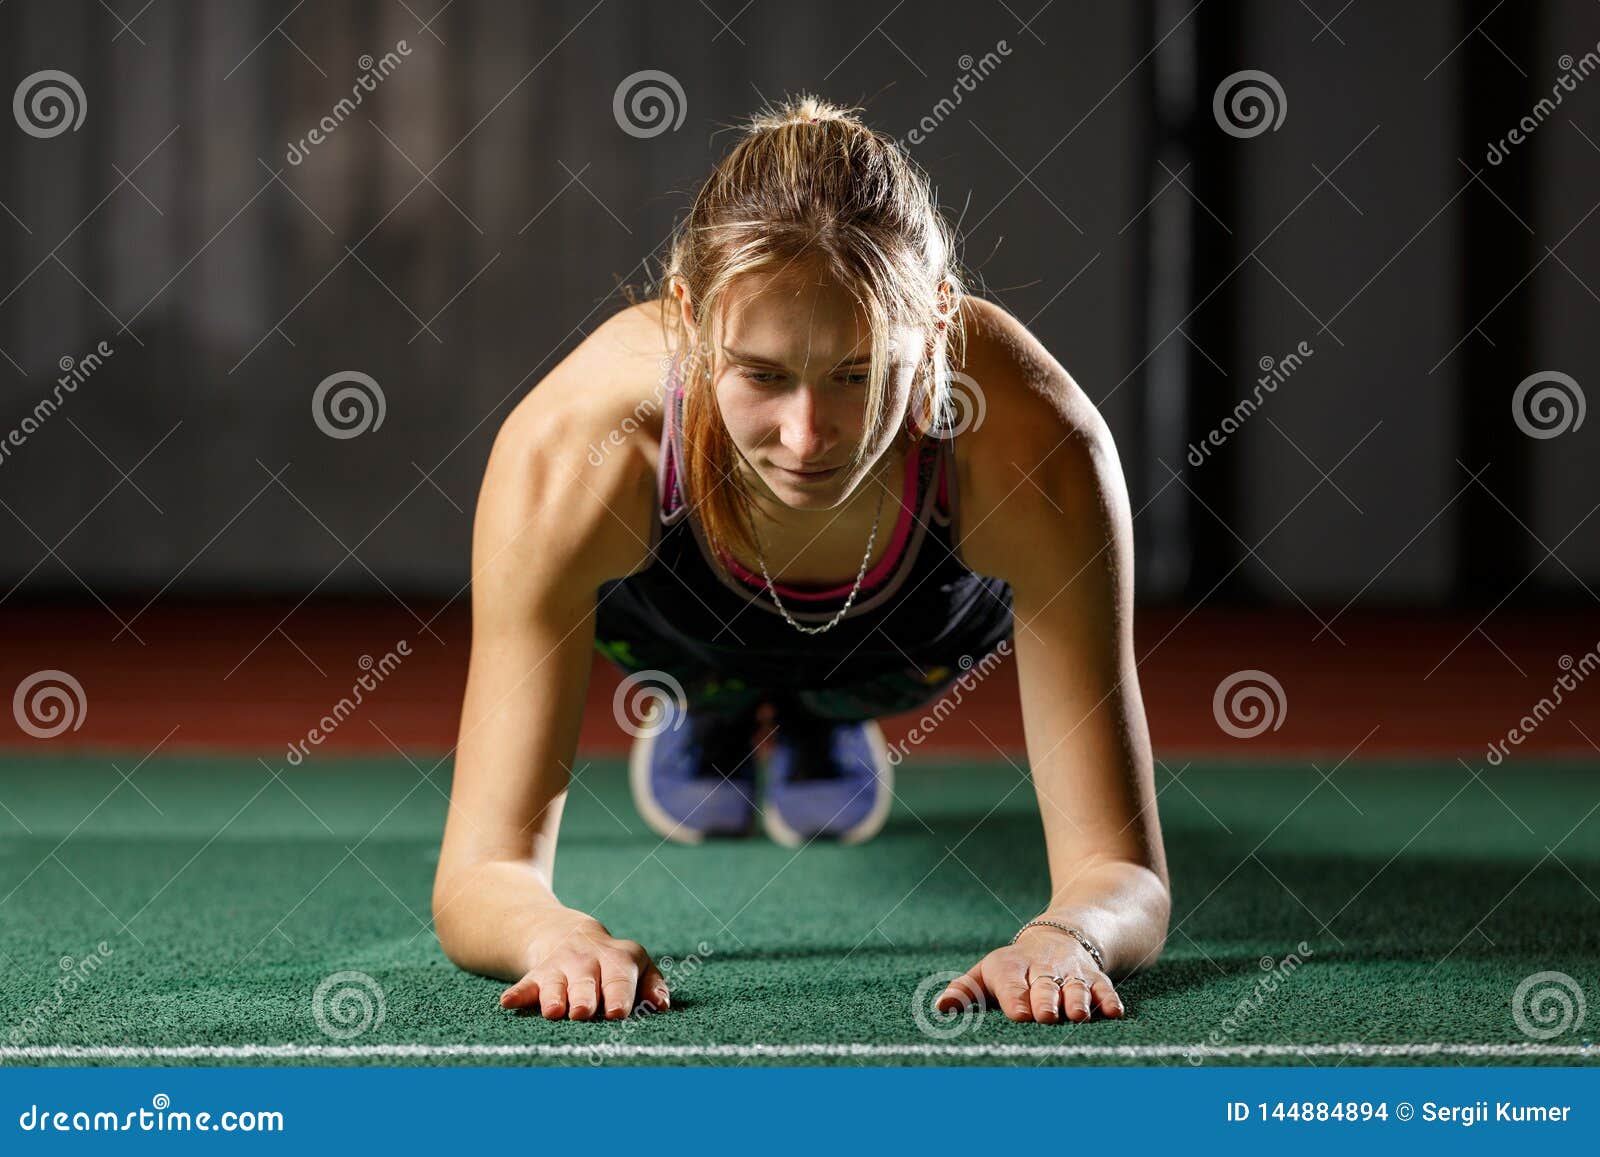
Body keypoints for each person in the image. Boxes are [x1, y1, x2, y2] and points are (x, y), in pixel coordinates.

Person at [433, 94, 1170, 1027]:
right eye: (762, 374)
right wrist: (553, 933)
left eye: (860, 374)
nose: (808, 434)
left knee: (841, 687)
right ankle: (719, 709)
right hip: (679, 642)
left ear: (939, 324)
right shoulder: (576, 451)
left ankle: (821, 714)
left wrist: (1070, 935)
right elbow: (480, 871)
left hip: (904, 650)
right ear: (689, 318)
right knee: (705, 670)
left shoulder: (1033, 443)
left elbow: (1125, 869)